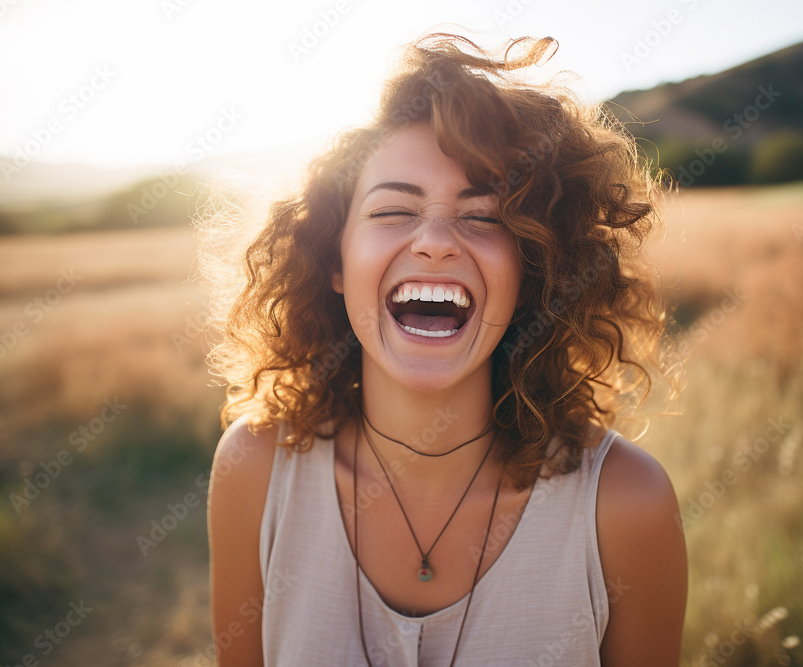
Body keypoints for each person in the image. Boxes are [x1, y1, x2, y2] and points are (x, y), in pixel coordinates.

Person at [206, 32, 687, 666]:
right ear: (335, 263)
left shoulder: (625, 505)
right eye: (392, 211)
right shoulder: (256, 468)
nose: (435, 241)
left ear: (532, 267)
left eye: (484, 217)